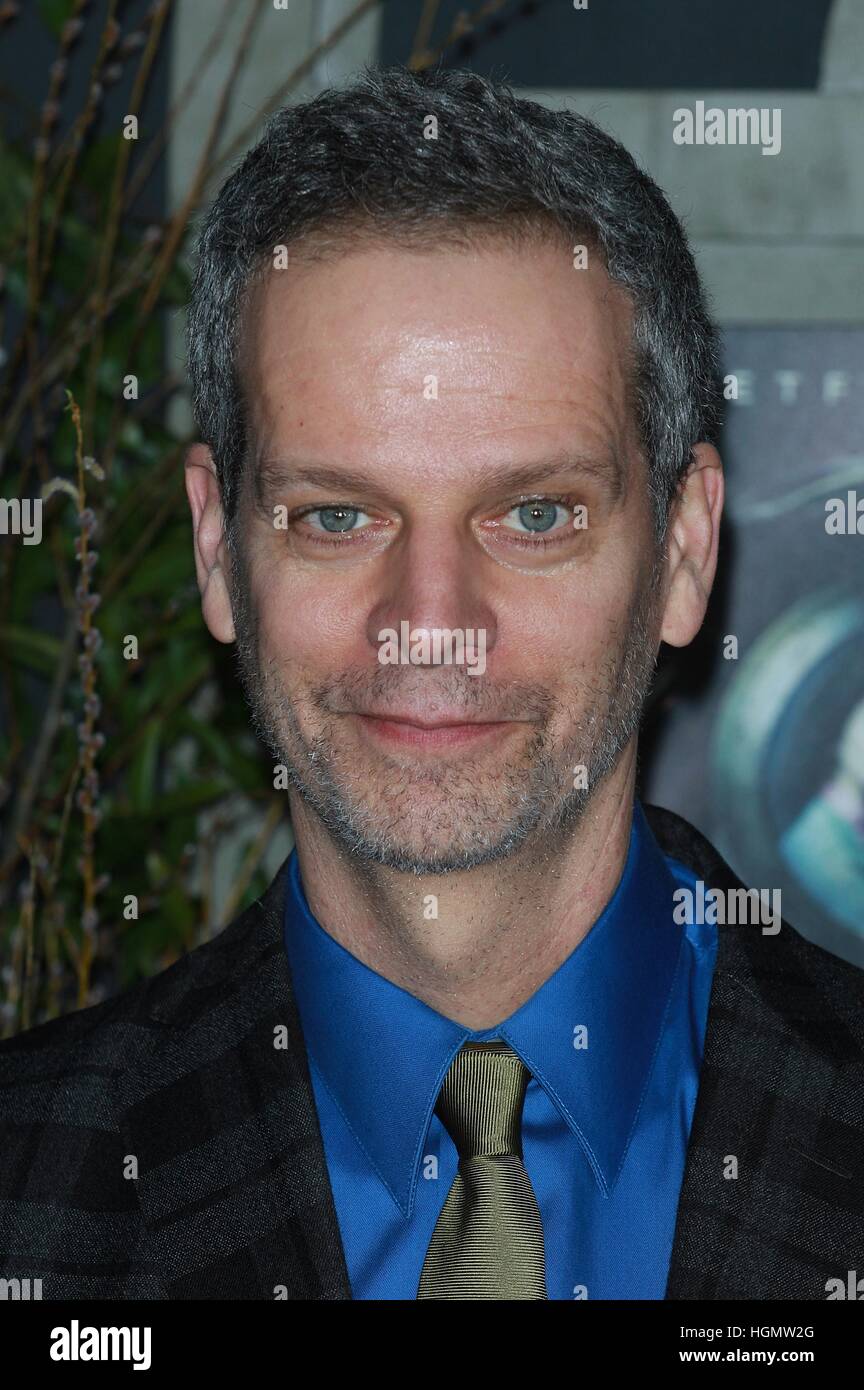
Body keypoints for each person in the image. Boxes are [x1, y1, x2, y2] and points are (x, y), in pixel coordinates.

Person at [1, 65, 862, 1302]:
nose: (431, 624)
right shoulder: (27, 1195)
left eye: (535, 513)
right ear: (216, 550)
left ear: (682, 550)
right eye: (339, 515)